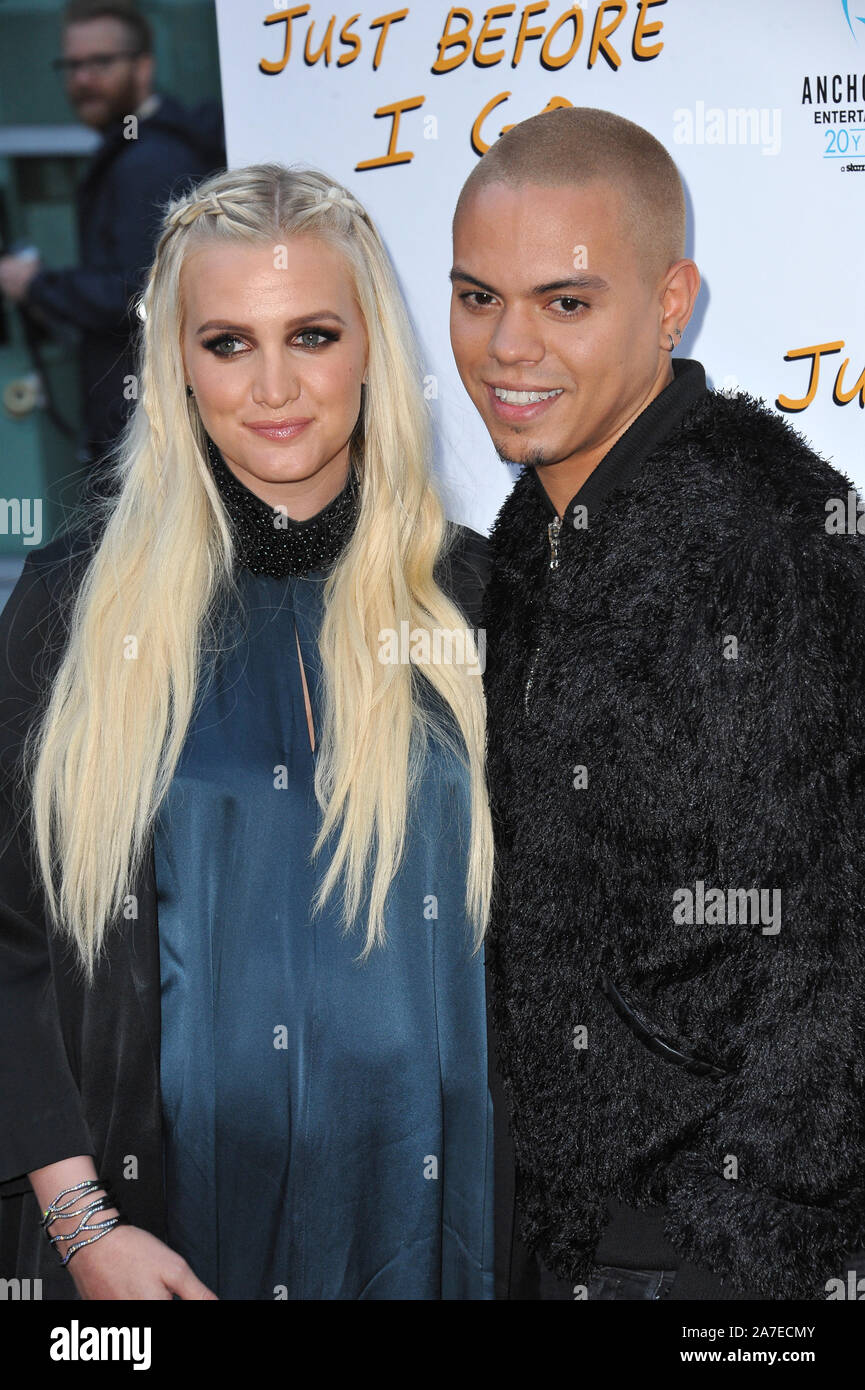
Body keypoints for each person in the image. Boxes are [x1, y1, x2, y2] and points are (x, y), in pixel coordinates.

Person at [0, 162, 494, 1300]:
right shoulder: (81, 602)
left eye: (312, 334)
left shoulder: (477, 597)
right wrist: (84, 1227)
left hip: (438, 1229)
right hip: (165, 1243)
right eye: (227, 342)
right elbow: (9, 935)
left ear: (370, 341)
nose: (273, 385)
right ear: (176, 362)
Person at [449, 105, 865, 1301]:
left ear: (672, 302)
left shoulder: (774, 541)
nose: (505, 348)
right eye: (477, 296)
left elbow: (830, 965)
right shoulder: (541, 533)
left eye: (563, 302)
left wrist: (712, 1254)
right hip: (569, 1228)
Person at [0, 0, 224, 493]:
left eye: (100, 63)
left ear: (143, 65)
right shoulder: (135, 148)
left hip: (150, 436)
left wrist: (36, 285)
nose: (82, 79)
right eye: (72, 65)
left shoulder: (150, 159)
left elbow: (140, 295)